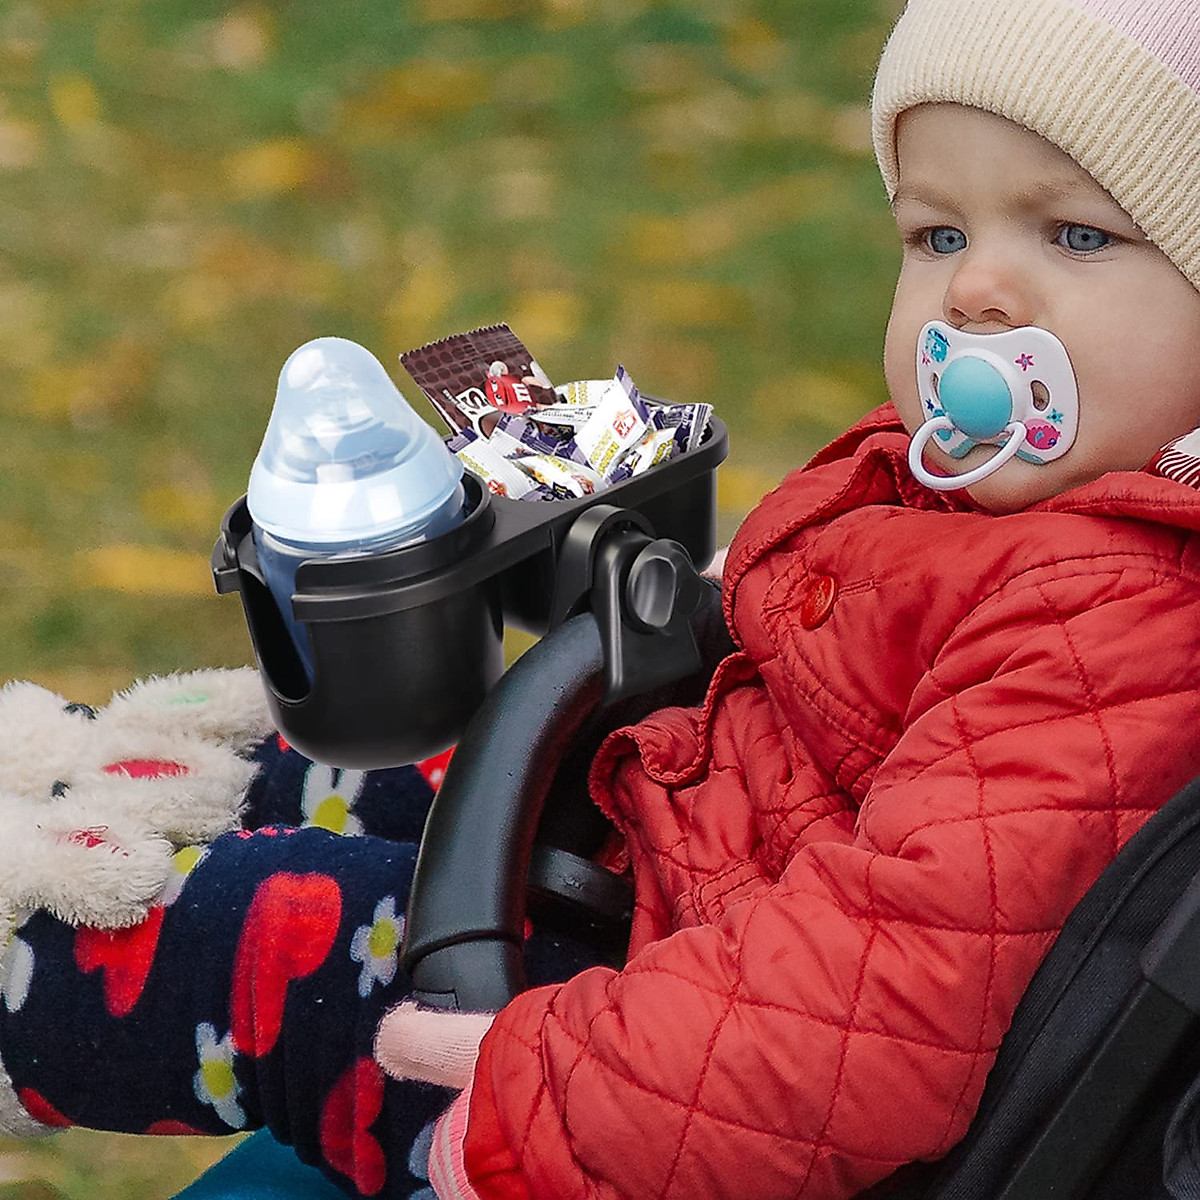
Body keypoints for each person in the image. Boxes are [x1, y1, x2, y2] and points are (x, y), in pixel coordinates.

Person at [4, 0, 1200, 1196]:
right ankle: (102, 785)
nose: (975, 289)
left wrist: (536, 1109)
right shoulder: (980, 492)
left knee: (240, 944)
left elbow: (872, 1007)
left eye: (1079, 236)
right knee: (336, 773)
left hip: (641, 1036)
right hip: (672, 835)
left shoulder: (1112, 629)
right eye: (938, 233)